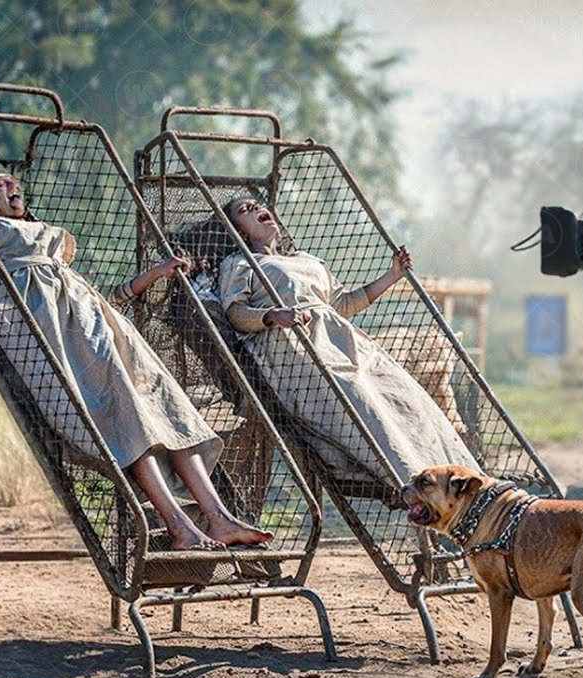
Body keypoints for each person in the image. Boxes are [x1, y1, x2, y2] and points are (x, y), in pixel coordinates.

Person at [0, 159, 272, 551]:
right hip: (57, 339)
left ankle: (218, 517)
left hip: (98, 324)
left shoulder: (47, 243)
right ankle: (179, 524)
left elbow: (106, 295)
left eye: (13, 181)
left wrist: (154, 274)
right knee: (126, 414)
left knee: (164, 401)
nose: (13, 186)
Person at [135, 196, 479, 493]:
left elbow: (342, 304)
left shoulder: (308, 260)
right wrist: (273, 316)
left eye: (257, 204)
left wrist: (391, 276)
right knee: (359, 399)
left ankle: (460, 476)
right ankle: (412, 480)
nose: (255, 207)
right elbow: (236, 313)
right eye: (244, 210)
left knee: (403, 395)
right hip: (290, 347)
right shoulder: (238, 263)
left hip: (341, 340)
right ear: (237, 230)